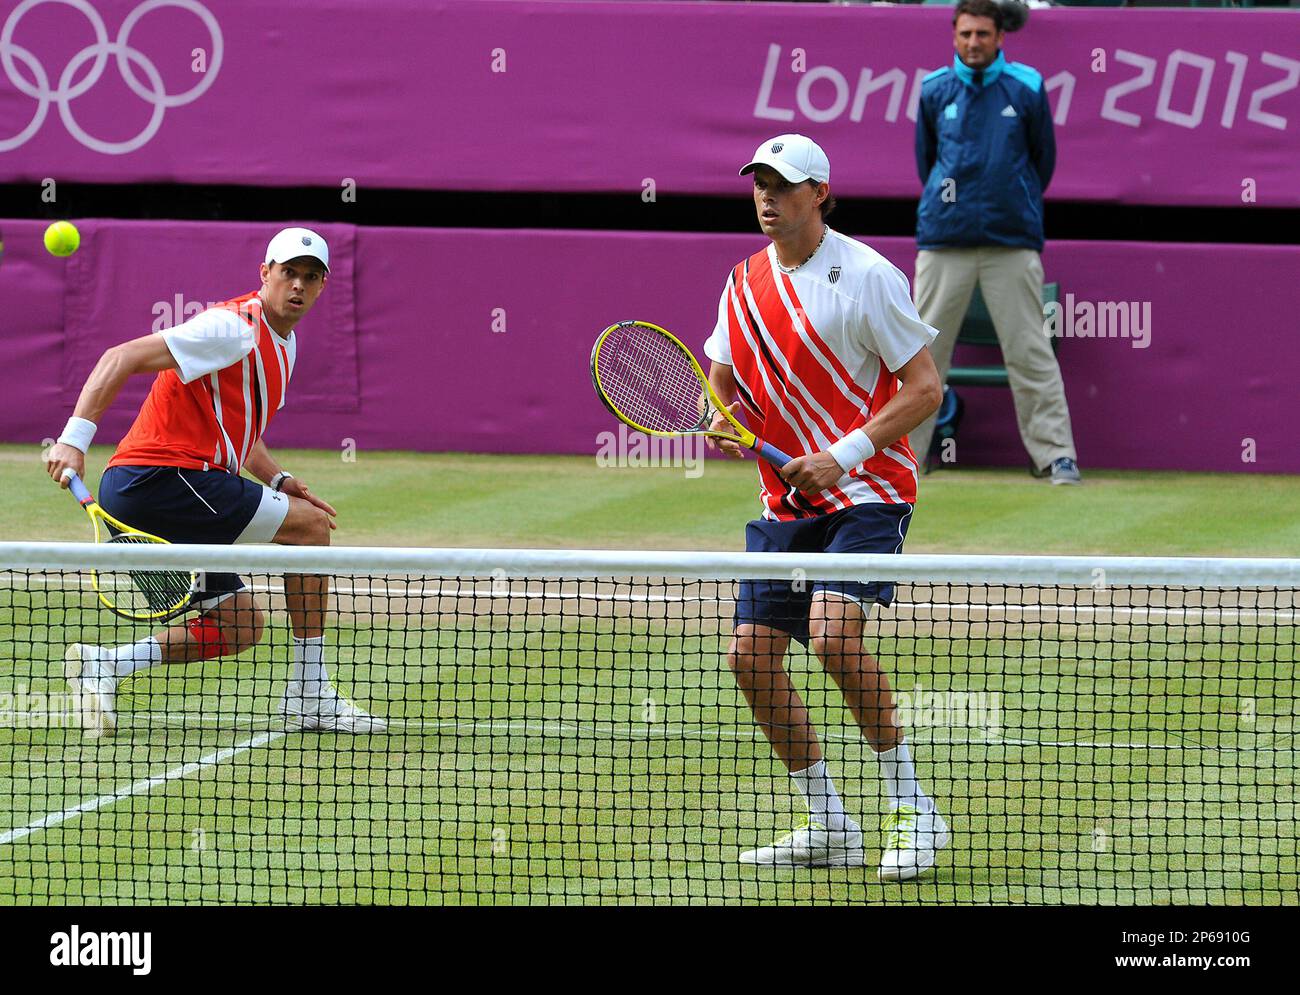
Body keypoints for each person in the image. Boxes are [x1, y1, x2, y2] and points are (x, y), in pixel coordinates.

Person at [705, 134, 948, 881]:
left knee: (834, 637)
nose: (767, 198)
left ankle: (915, 810)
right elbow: (718, 378)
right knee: (748, 657)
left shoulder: (870, 275)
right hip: (785, 500)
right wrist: (723, 416)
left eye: (783, 186)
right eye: (759, 185)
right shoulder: (743, 283)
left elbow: (925, 389)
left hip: (868, 489)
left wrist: (839, 455)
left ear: (821, 194)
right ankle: (830, 822)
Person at [45, 227, 386, 738]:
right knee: (311, 530)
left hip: (161, 490)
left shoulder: (283, 346)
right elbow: (119, 357)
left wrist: (280, 479)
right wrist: (74, 439)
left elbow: (239, 434)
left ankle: (104, 665)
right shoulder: (232, 328)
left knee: (241, 625)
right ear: (265, 274)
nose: (297, 285)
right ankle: (311, 695)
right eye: (288, 272)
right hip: (158, 480)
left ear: (321, 287)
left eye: (309, 277)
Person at [911, 0, 1081, 485]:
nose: (973, 42)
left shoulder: (1027, 86)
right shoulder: (933, 90)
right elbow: (928, 163)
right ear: (954, 35)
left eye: (982, 34)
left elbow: (1040, 162)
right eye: (965, 34)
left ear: (999, 37)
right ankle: (904, 457)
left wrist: (1009, 200)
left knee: (1030, 350)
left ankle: (1054, 456)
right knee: (921, 355)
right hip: (945, 241)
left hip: (1012, 241)